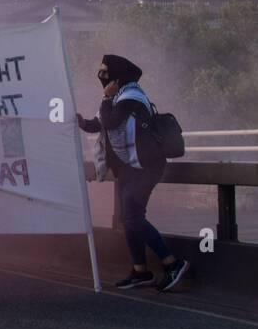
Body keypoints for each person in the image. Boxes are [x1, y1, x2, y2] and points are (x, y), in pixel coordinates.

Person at [77, 54, 189, 292]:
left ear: (119, 76)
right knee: (129, 220)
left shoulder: (131, 97)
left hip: (146, 168)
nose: (102, 79)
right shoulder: (118, 97)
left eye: (106, 74)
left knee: (133, 218)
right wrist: (75, 120)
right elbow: (96, 124)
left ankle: (173, 263)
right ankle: (141, 271)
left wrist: (106, 98)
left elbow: (110, 121)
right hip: (129, 168)